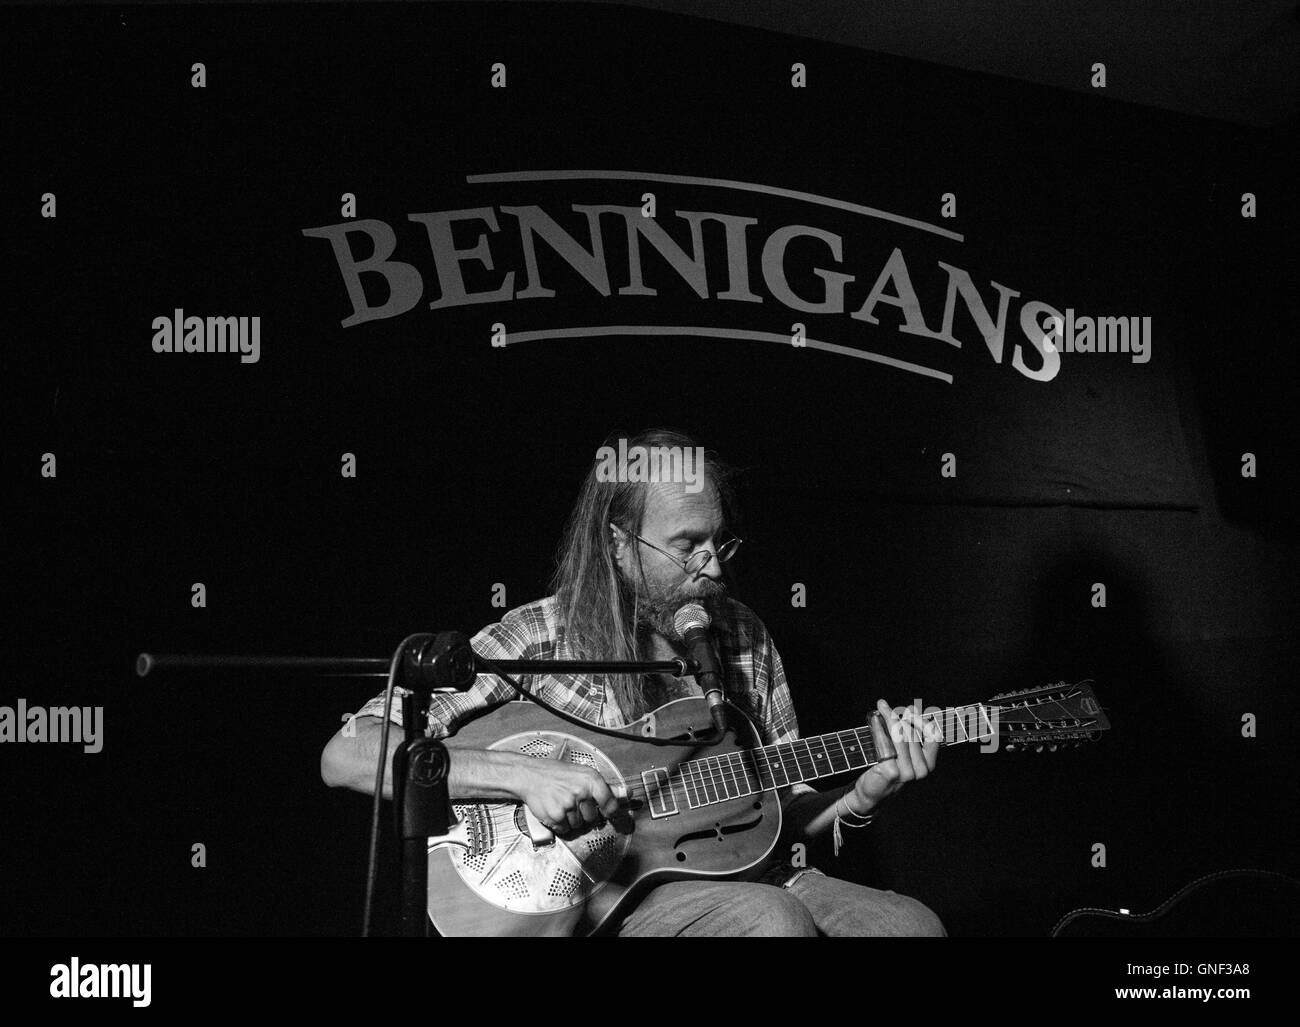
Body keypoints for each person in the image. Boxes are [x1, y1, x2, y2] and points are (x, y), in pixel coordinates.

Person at [320, 428, 945, 936]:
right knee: (768, 923)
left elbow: (780, 810)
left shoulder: (742, 635)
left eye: (720, 542)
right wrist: (521, 774)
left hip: (756, 875)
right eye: (687, 545)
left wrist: (860, 795)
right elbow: (347, 755)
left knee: (909, 926)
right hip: (617, 897)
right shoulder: (542, 635)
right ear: (619, 545)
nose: (714, 567)